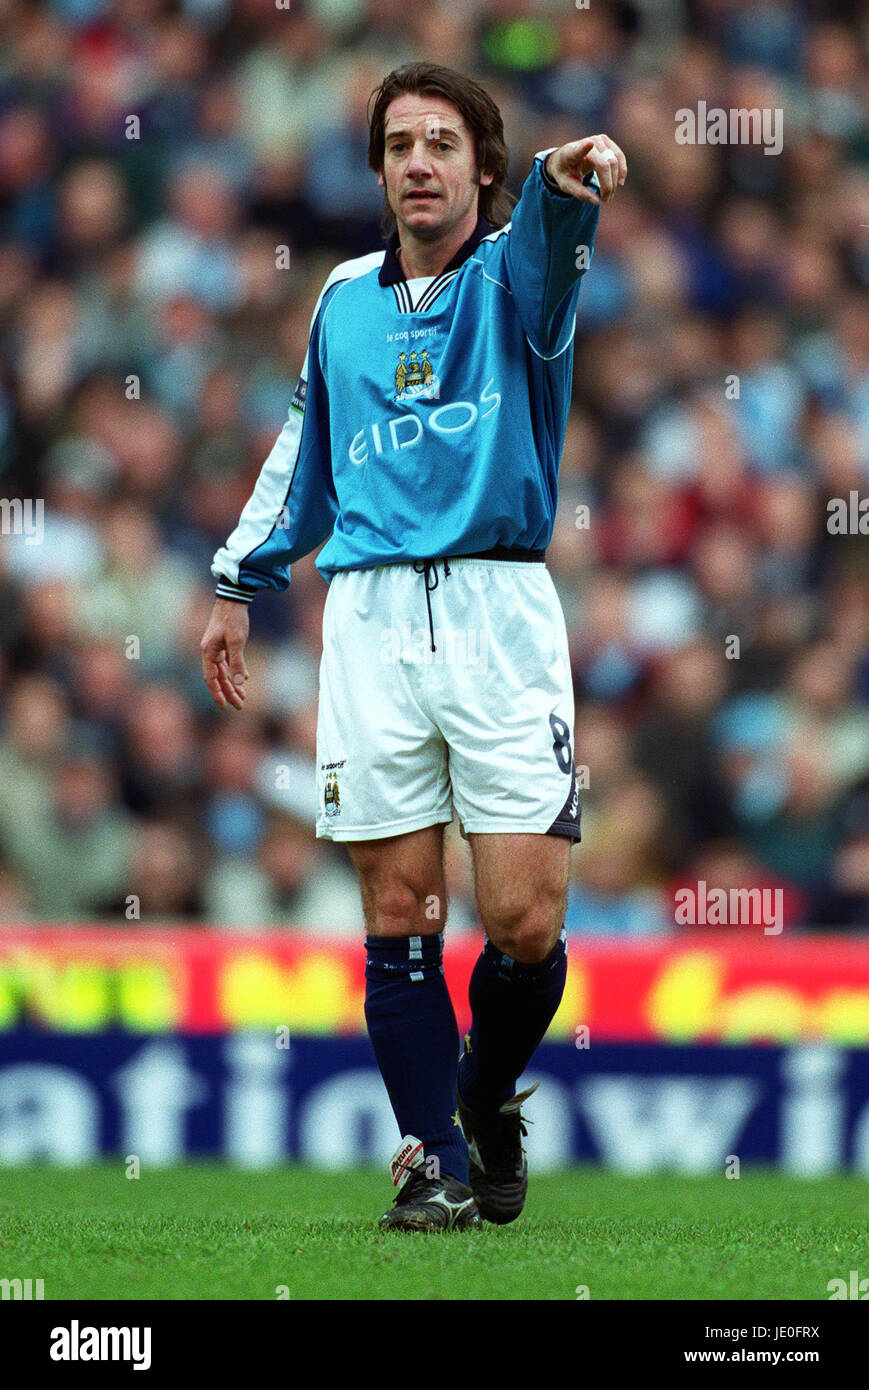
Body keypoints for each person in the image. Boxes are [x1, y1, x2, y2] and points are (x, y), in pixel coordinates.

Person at [201, 61, 626, 1231]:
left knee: (525, 918)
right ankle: (431, 1156)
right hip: (372, 617)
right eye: (398, 145)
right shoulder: (338, 297)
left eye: (442, 143)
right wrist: (239, 578)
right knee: (398, 906)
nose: (418, 164)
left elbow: (546, 229)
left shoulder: (517, 282)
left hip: (498, 613)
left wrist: (560, 175)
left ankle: (483, 1095)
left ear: (479, 166)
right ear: (380, 168)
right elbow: (305, 448)